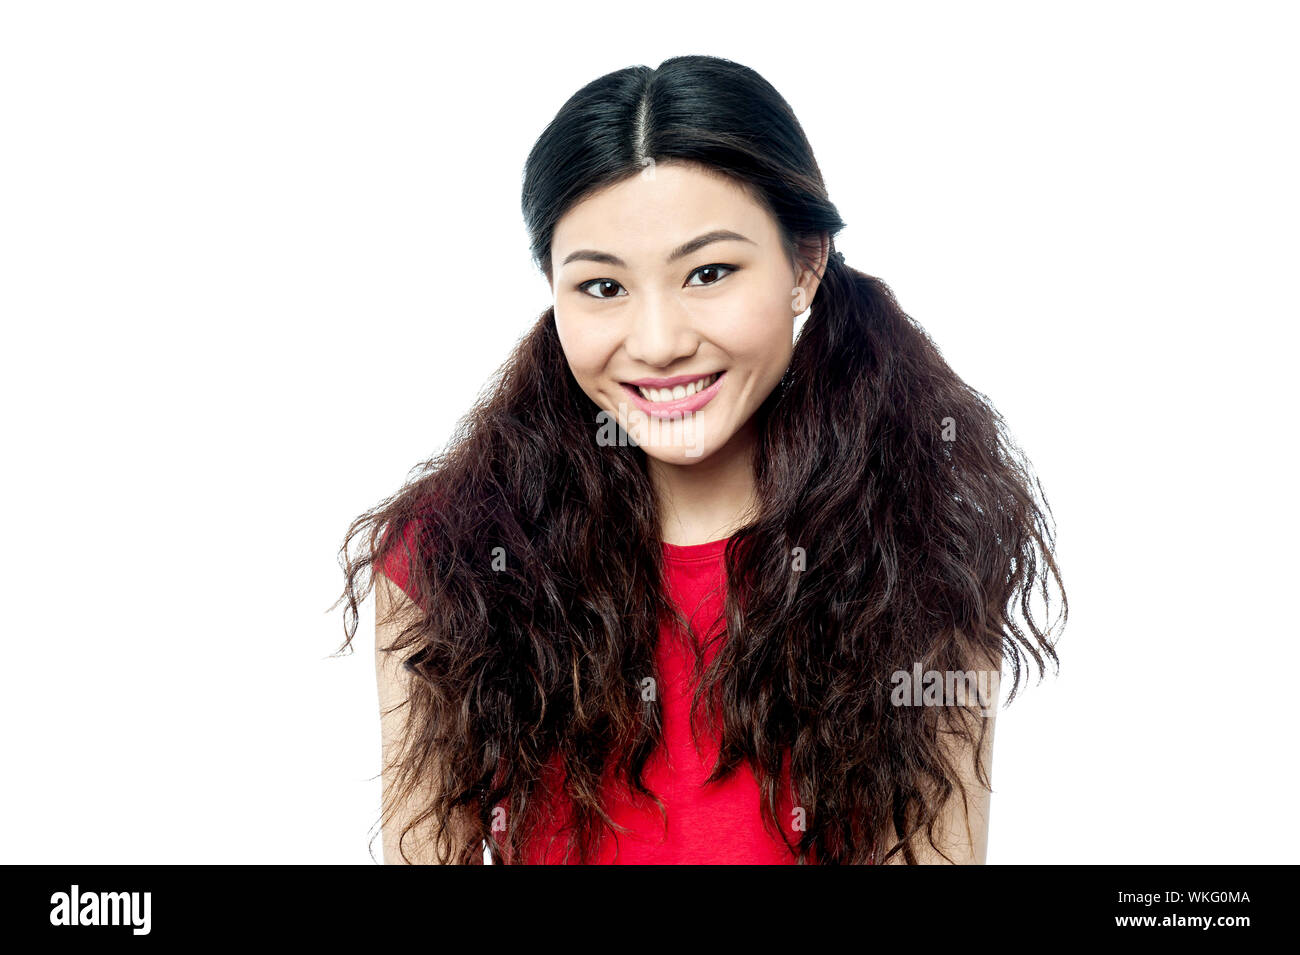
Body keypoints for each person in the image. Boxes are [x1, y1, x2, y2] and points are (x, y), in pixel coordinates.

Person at [335, 54, 1067, 865]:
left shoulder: (924, 551)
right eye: (602, 288)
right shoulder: (443, 558)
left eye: (709, 272)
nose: (658, 342)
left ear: (805, 264)